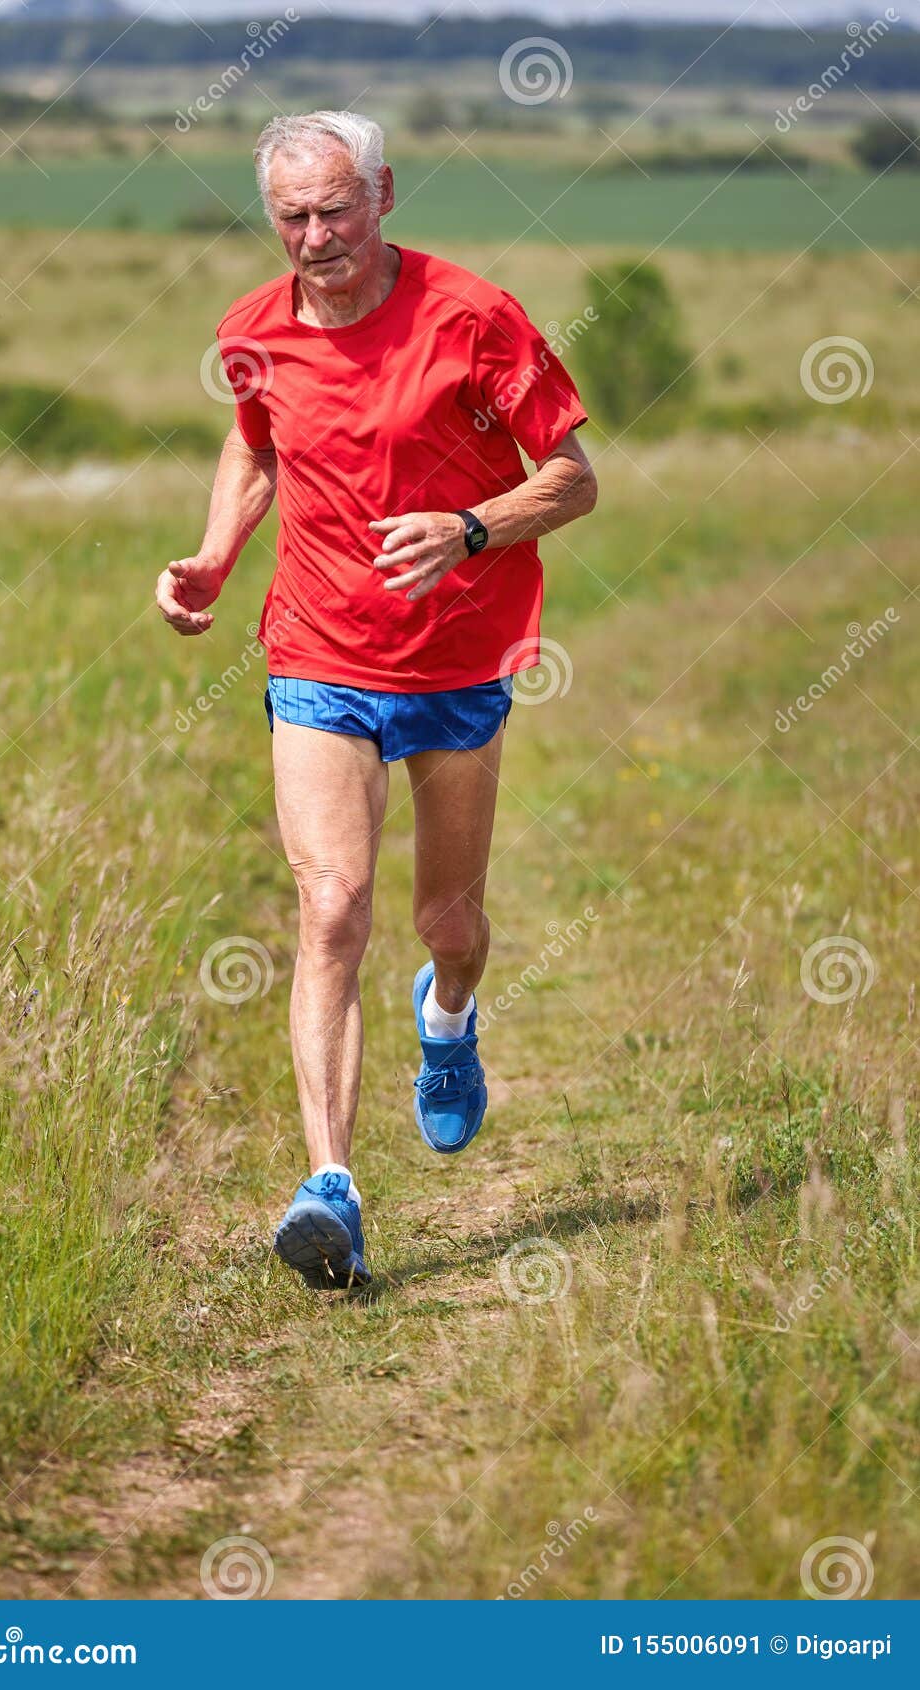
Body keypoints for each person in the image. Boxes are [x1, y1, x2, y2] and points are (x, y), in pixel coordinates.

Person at [156, 111, 597, 1290]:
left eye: (335, 209)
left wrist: (469, 529)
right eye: (292, 217)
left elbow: (571, 478)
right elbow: (255, 446)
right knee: (331, 905)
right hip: (316, 652)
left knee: (447, 920)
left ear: (384, 193)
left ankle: (446, 1020)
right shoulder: (251, 331)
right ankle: (331, 1190)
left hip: (456, 657)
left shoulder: (473, 316)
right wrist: (213, 556)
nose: (316, 237)